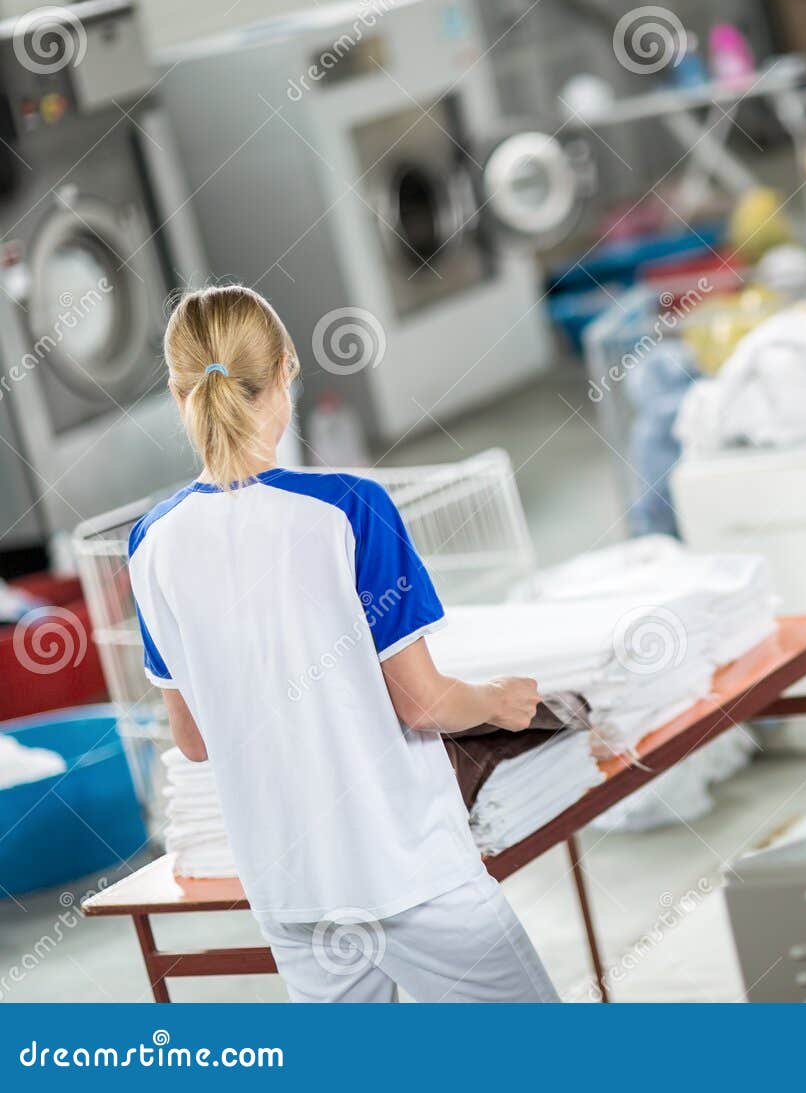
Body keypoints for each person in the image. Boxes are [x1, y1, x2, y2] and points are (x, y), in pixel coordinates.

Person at [128, 286, 559, 1003]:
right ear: (286, 372)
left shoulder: (151, 543)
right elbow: (423, 703)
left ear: (178, 394)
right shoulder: (350, 507)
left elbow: (193, 740)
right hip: (406, 870)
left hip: (291, 891)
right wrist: (496, 701)